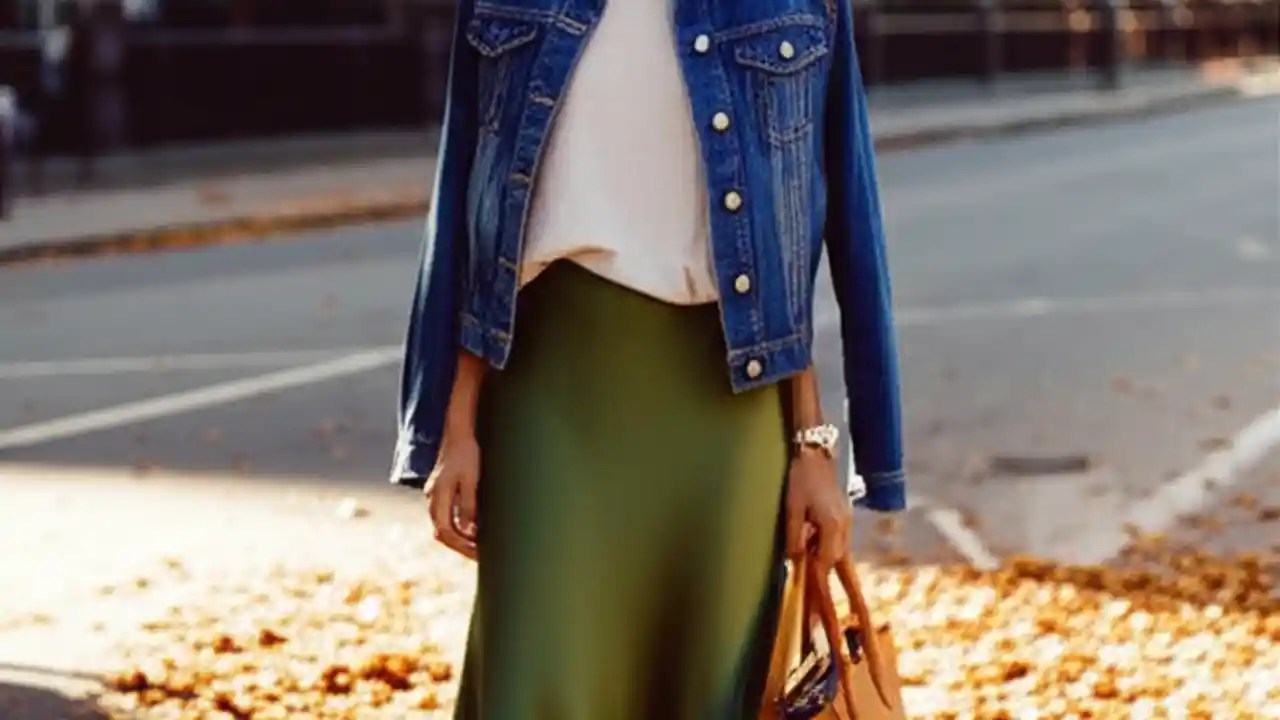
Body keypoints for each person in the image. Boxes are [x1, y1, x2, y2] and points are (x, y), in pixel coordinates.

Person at [391, 0, 905, 716]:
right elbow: (467, 209)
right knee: (539, 684)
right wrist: (453, 425)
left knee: (707, 692)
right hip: (549, 395)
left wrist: (815, 445)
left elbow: (832, 227)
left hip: (730, 415)